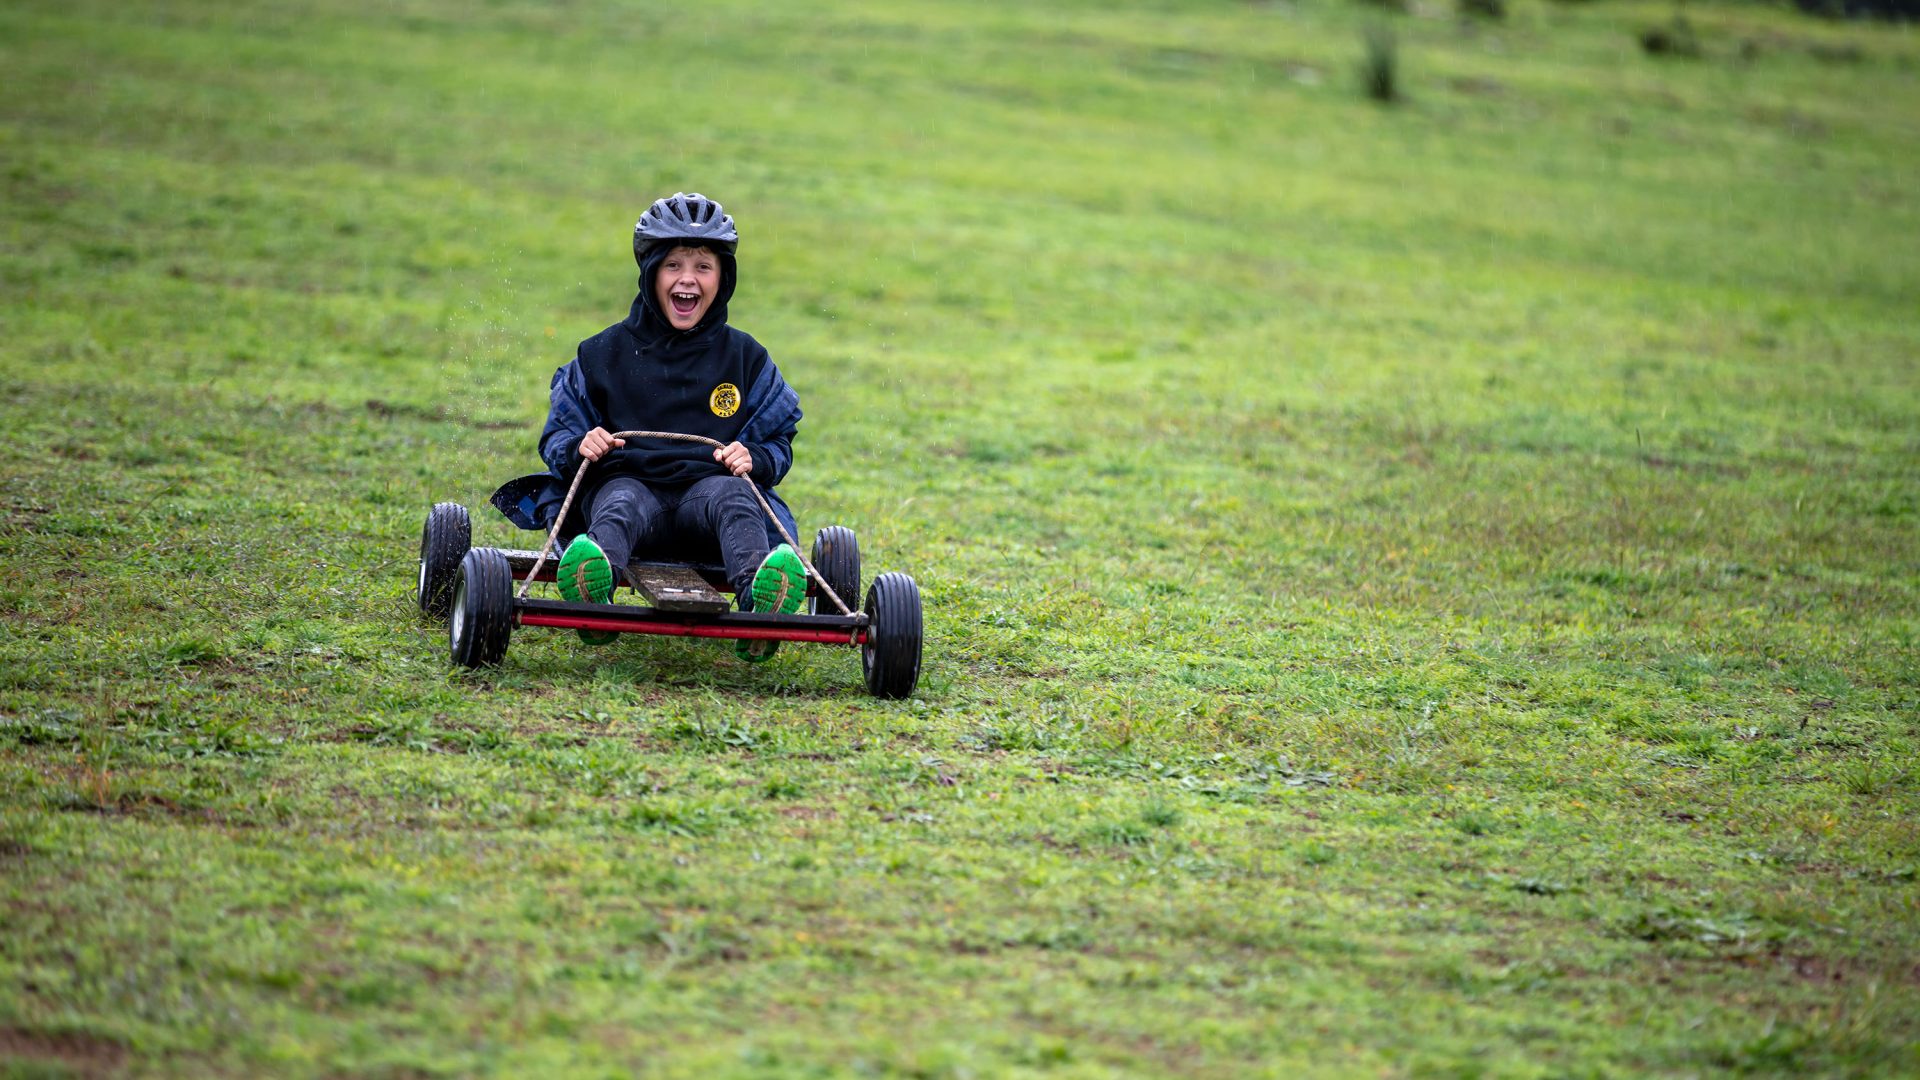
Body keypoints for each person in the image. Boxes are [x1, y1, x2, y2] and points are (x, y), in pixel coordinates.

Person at [489, 193, 806, 660]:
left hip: (708, 506)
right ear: (651, 272)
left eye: (703, 266)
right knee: (619, 500)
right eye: (673, 264)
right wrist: (582, 444)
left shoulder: (746, 359)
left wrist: (755, 456)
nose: (687, 279)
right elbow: (558, 437)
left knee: (738, 498)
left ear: (724, 278)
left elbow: (778, 440)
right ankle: (592, 596)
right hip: (630, 491)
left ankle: (761, 607)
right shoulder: (601, 354)